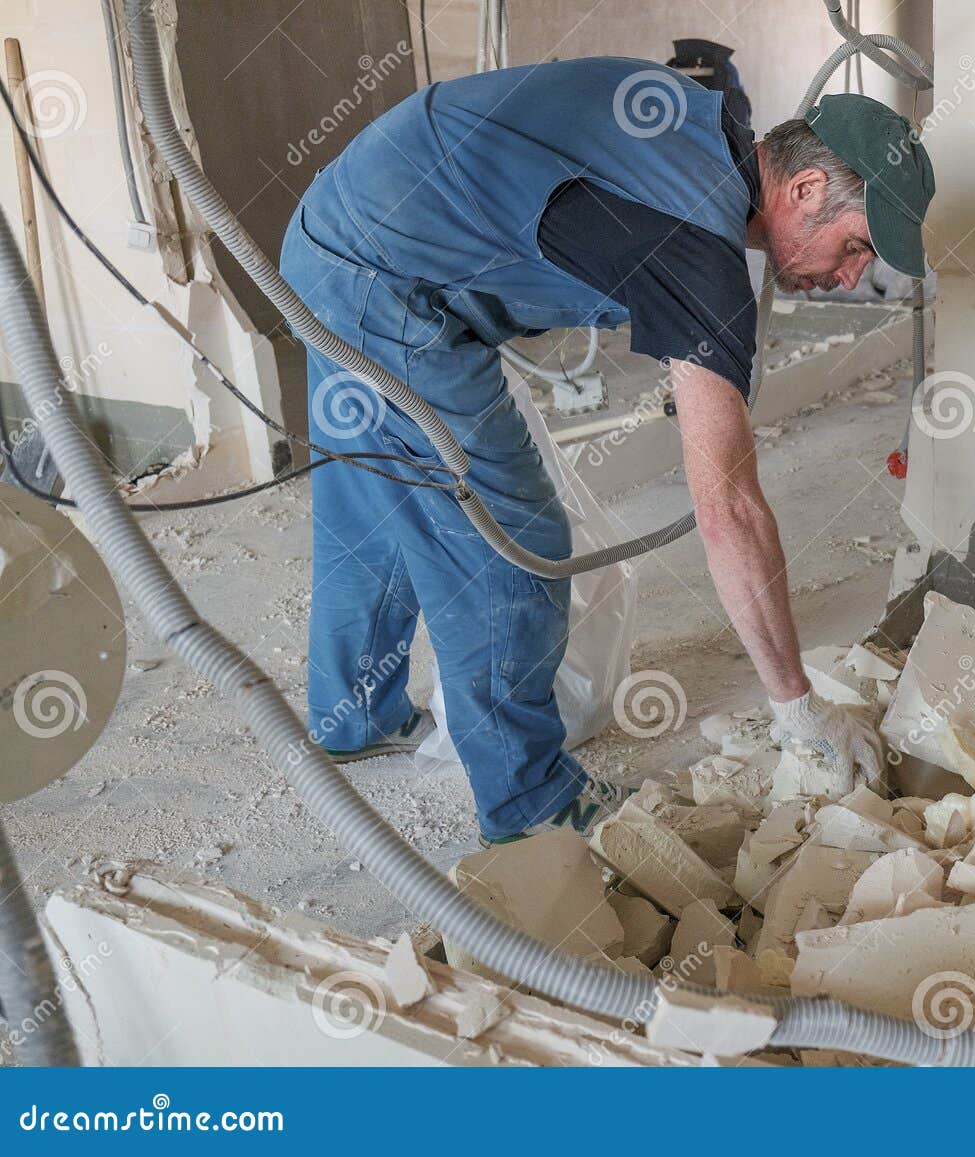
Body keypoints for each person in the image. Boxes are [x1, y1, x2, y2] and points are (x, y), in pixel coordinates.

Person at [280, 57, 934, 845]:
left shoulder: (703, 128)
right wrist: (798, 705)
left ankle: (353, 714)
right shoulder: (696, 245)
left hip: (340, 230)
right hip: (385, 280)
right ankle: (529, 803)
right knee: (510, 536)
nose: (856, 274)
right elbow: (728, 508)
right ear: (804, 189)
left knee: (379, 493)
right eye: (857, 245)